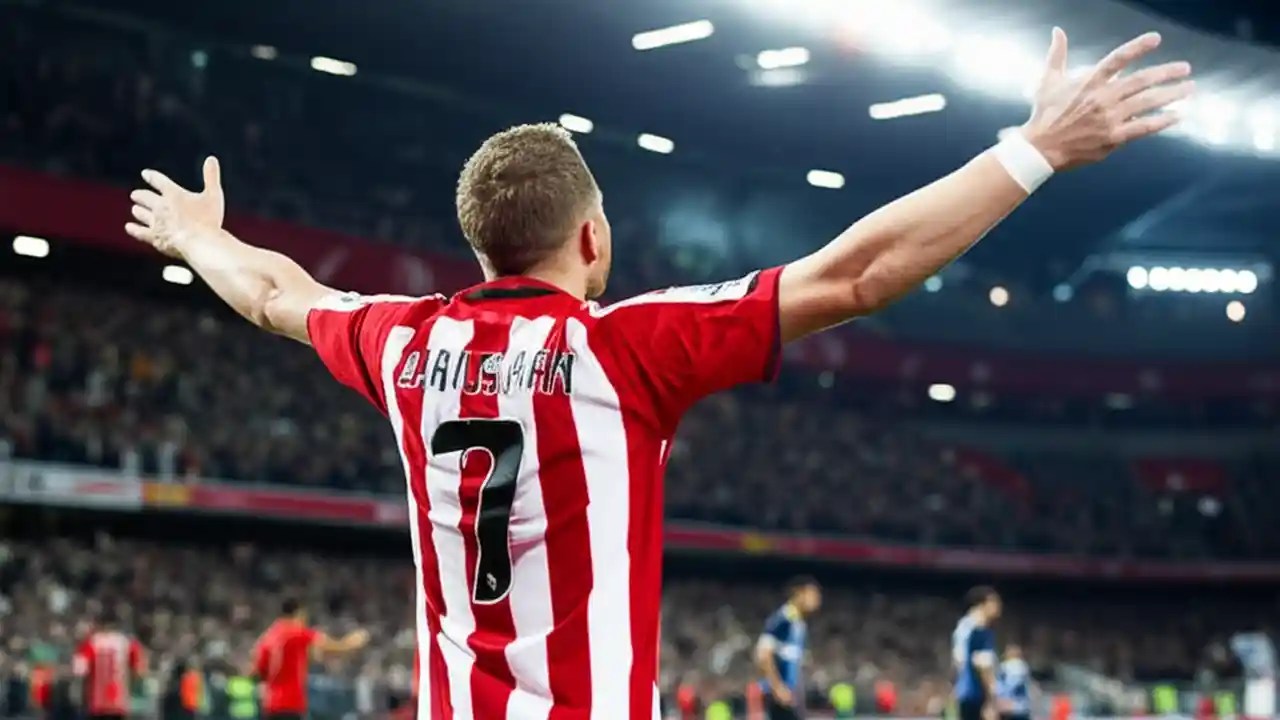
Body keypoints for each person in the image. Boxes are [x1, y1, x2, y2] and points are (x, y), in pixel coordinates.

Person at [125, 27, 1191, 718]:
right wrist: (1035, 148)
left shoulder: (404, 343)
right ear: (589, 237)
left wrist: (193, 240)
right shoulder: (619, 351)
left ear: (479, 246)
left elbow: (275, 294)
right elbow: (857, 274)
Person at [250, 598, 370, 720]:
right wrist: (353, 642)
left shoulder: (268, 636)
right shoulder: (297, 632)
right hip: (290, 705)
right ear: (299, 613)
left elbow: (258, 671)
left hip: (270, 706)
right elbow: (333, 647)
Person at [755, 576, 822, 720]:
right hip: (779, 695)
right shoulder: (782, 619)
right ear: (799, 593)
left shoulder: (799, 623)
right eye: (813, 594)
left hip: (791, 695)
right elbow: (763, 654)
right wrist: (777, 687)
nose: (817, 600)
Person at [72, 608, 146, 720]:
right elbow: (139, 670)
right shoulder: (128, 643)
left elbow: (79, 671)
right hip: (119, 703)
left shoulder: (91, 643)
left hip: (97, 704)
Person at [953, 586, 1003, 720]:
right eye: (995, 603)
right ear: (982, 604)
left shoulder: (962, 627)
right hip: (977, 694)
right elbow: (982, 663)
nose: (999, 608)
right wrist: (991, 701)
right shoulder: (980, 630)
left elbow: (958, 661)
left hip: (964, 693)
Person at [996, 645, 1033, 720]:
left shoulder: (1003, 667)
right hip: (1022, 707)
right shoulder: (1023, 667)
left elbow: (1000, 688)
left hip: (1006, 707)